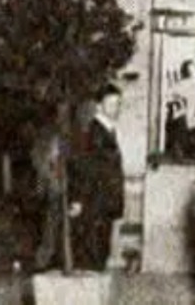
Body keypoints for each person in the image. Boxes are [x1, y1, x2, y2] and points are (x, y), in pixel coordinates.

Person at [68, 86, 127, 271]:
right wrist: (78, 200)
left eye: (118, 103)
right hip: (95, 204)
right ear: (100, 106)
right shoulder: (94, 132)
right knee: (93, 256)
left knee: (100, 253)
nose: (116, 108)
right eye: (111, 104)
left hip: (104, 204)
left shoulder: (107, 131)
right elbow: (85, 168)